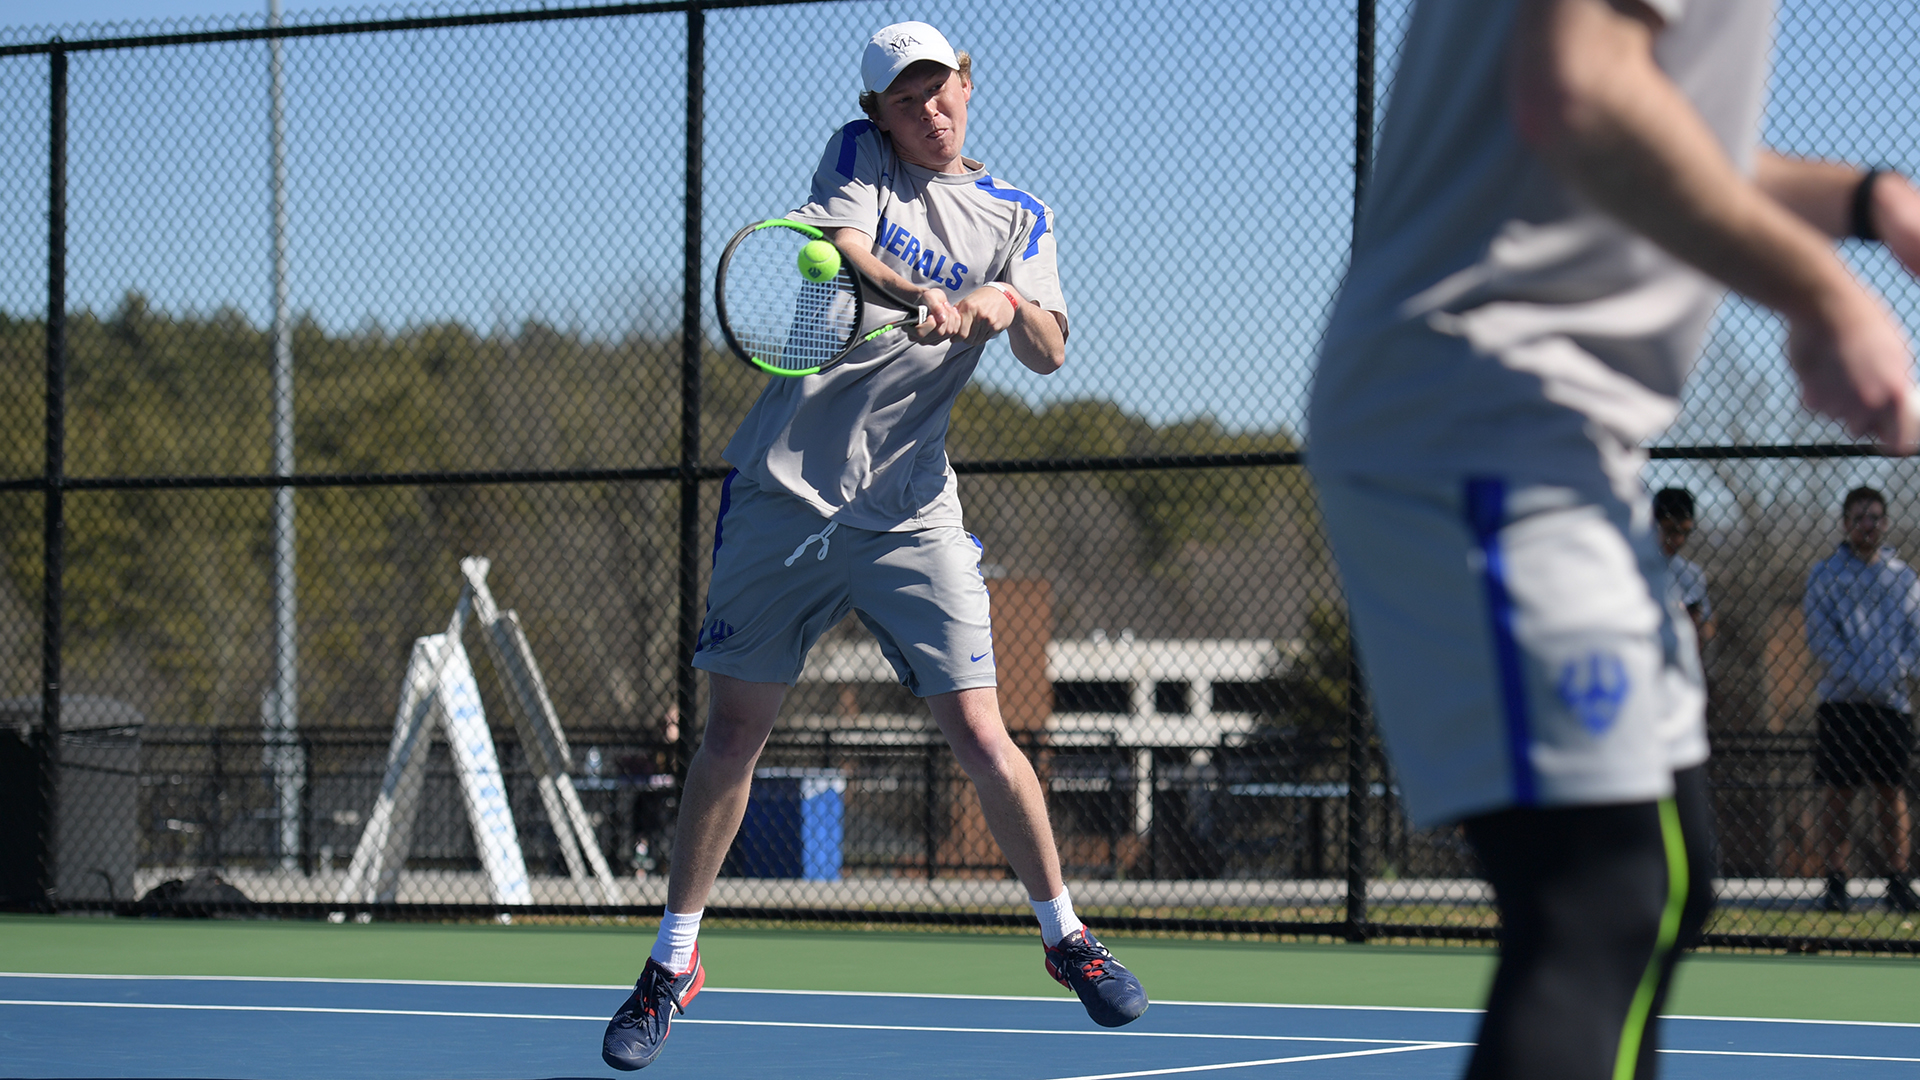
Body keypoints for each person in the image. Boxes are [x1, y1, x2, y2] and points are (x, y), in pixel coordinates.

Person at [1307, 0, 1920, 1076]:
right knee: (1599, 896)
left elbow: (1660, 124)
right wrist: (1823, 293)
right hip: (1481, 409)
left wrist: (1867, 204)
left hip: (1552, 434)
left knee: (1667, 882)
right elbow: (1580, 93)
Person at [600, 21, 1146, 1072]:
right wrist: (919, 295)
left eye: (941, 92)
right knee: (731, 738)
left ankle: (1065, 937)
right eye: (906, 101)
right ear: (879, 116)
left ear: (969, 87)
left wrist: (998, 303)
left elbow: (1050, 348)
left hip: (909, 513)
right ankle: (672, 964)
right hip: (784, 497)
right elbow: (849, 247)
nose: (928, 113)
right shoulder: (858, 160)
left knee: (986, 738)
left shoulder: (1020, 214)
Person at [1803, 486, 1920, 914]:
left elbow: (1915, 636)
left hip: (1891, 703)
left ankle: (1898, 880)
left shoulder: (1903, 577)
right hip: (1841, 702)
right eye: (1858, 517)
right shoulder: (1825, 575)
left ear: (1885, 522)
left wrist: (1896, 671)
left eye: (1874, 517)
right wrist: (1860, 673)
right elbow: (1821, 638)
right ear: (1845, 523)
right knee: (1838, 790)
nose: (1866, 525)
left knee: (1892, 790)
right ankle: (1835, 881)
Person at [1654, 488, 1714, 644]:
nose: (1679, 540)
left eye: (1685, 532)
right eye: (1670, 530)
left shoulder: (1691, 574)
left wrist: (1695, 625)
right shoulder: (1629, 569)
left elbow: (1707, 627)